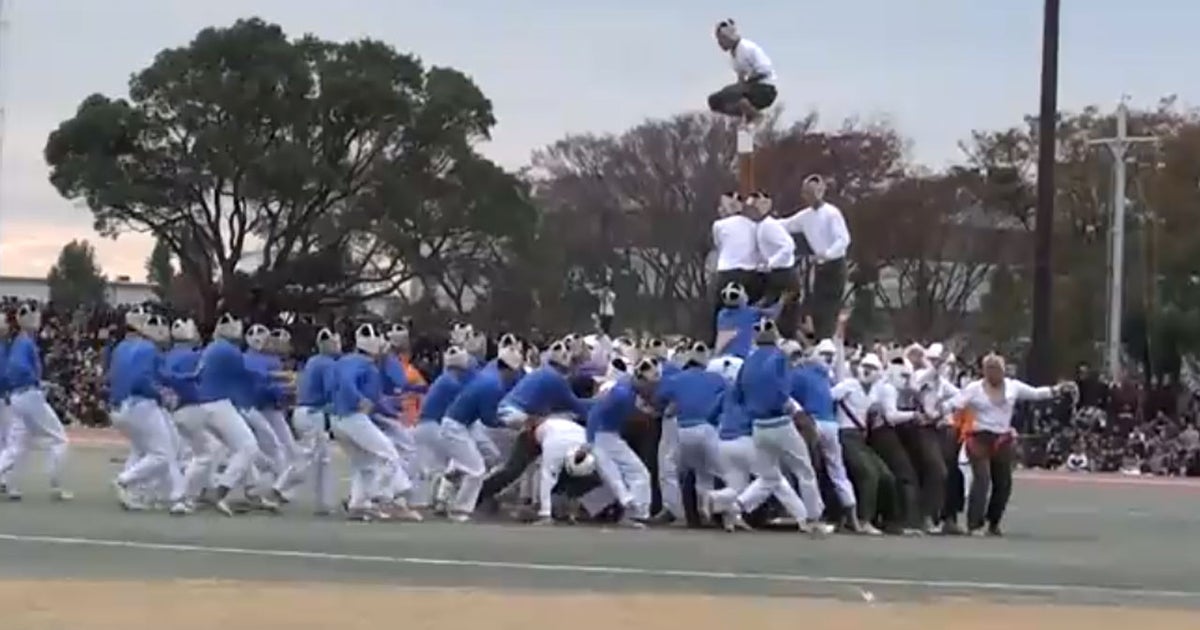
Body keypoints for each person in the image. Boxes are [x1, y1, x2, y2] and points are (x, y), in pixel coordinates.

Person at [775, 175, 851, 338]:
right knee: (817, 307)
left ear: (822, 191)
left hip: (835, 265)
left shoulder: (832, 213)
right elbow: (786, 224)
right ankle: (821, 339)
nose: (813, 195)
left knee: (830, 307)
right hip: (820, 266)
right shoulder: (805, 216)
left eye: (816, 191)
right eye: (808, 192)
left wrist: (828, 254)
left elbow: (843, 239)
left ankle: (827, 340)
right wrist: (765, 221)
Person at [707, 19, 777, 125]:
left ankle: (756, 115)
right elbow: (740, 78)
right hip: (750, 88)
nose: (719, 43)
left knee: (731, 92)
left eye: (721, 39)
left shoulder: (746, 47)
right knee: (714, 100)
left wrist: (748, 81)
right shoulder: (733, 56)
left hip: (766, 88)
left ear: (729, 37)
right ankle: (747, 114)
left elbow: (766, 71)